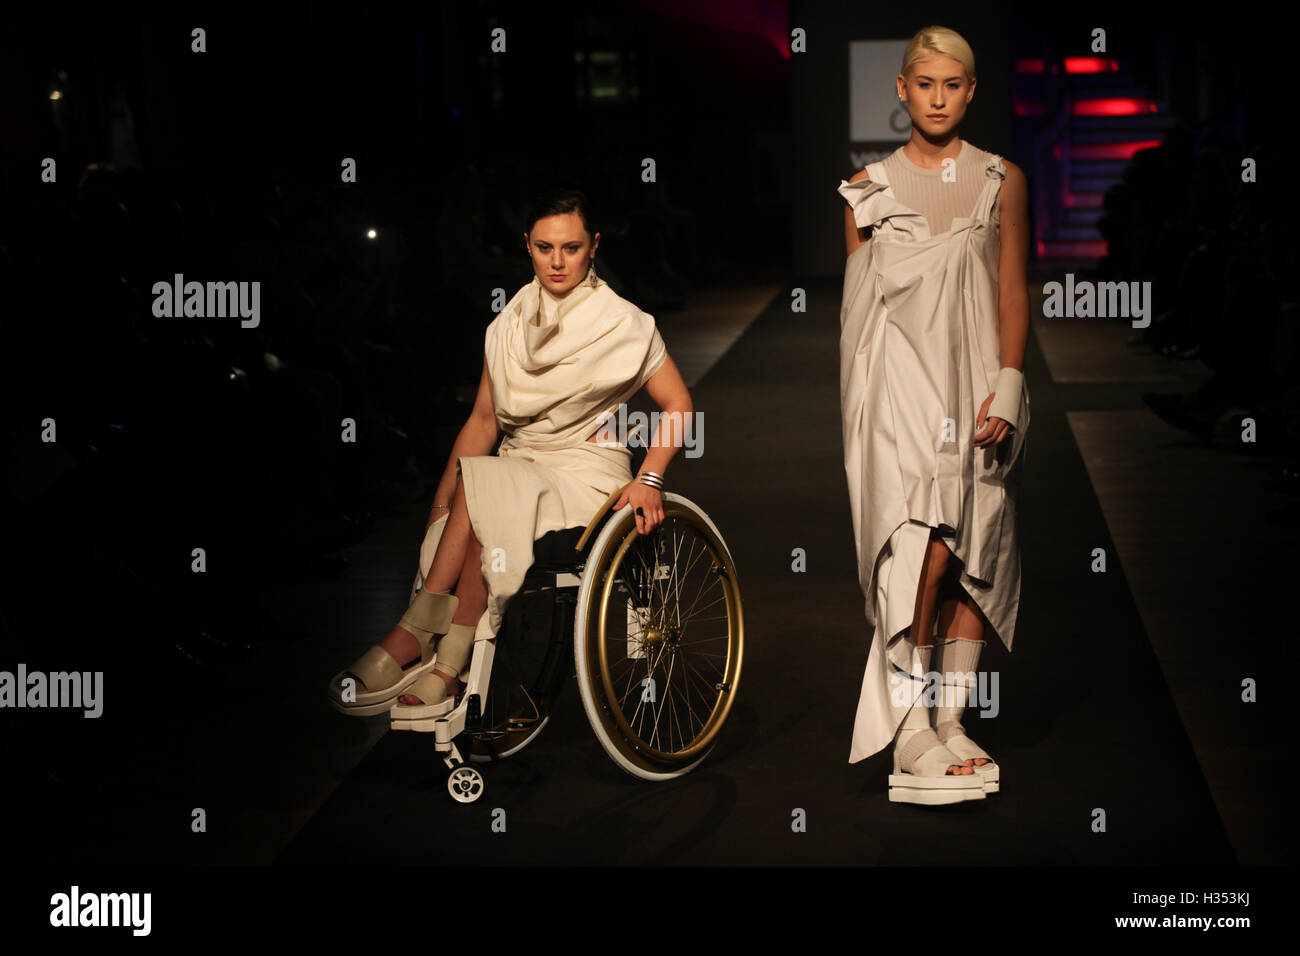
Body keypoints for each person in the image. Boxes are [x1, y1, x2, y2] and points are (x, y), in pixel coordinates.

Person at [328, 189, 694, 719]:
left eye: (571, 247)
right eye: (545, 247)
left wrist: (651, 478)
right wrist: (440, 504)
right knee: (487, 488)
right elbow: (482, 422)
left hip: (585, 474)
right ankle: (449, 662)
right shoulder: (507, 325)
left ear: (593, 245)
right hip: (512, 468)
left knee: (487, 486)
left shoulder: (625, 322)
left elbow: (678, 402)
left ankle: (415, 636)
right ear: (527, 245)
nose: (557, 261)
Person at [837, 26, 1030, 804]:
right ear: (903, 90)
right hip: (896, 392)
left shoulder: (1001, 178)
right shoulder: (865, 189)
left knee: (974, 543)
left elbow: (1012, 287)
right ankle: (908, 725)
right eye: (926, 84)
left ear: (971, 90)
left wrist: (1011, 385)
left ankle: (950, 723)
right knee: (920, 544)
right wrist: (863, 418)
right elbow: (855, 319)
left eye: (954, 84)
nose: (939, 97)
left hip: (980, 382)